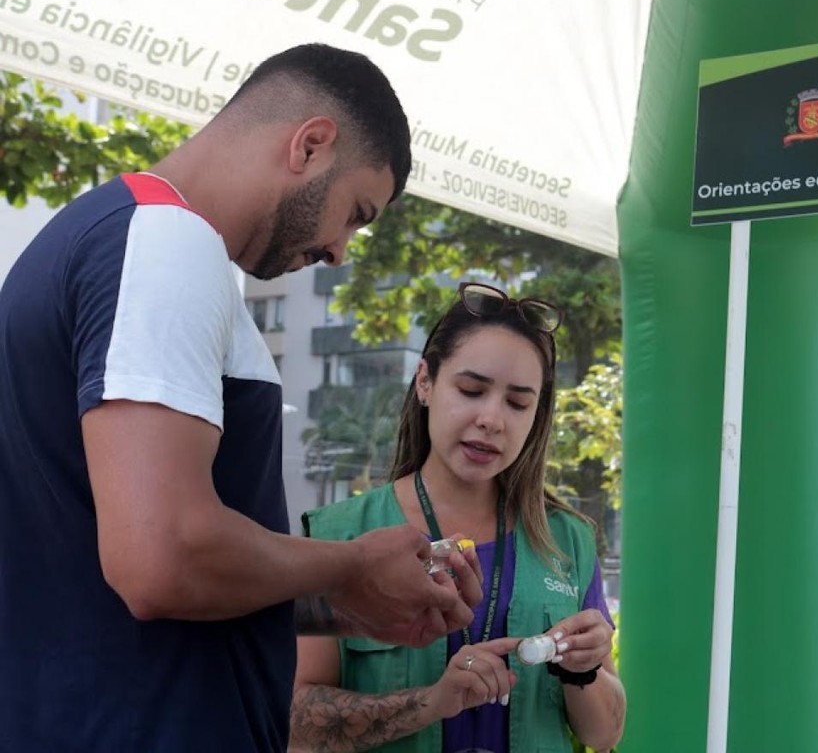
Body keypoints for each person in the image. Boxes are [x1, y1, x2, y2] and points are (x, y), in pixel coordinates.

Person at [0, 43, 484, 752]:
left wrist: (352, 605)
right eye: (355, 212)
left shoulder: (119, 239)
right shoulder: (165, 241)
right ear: (311, 145)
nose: (342, 250)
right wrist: (352, 565)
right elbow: (160, 559)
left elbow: (130, 576)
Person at [291, 282, 626, 753]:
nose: (492, 419)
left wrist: (584, 669)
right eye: (471, 390)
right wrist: (431, 703)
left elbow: (605, 734)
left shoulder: (567, 542)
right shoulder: (336, 536)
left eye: (517, 402)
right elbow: (295, 723)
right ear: (425, 381)